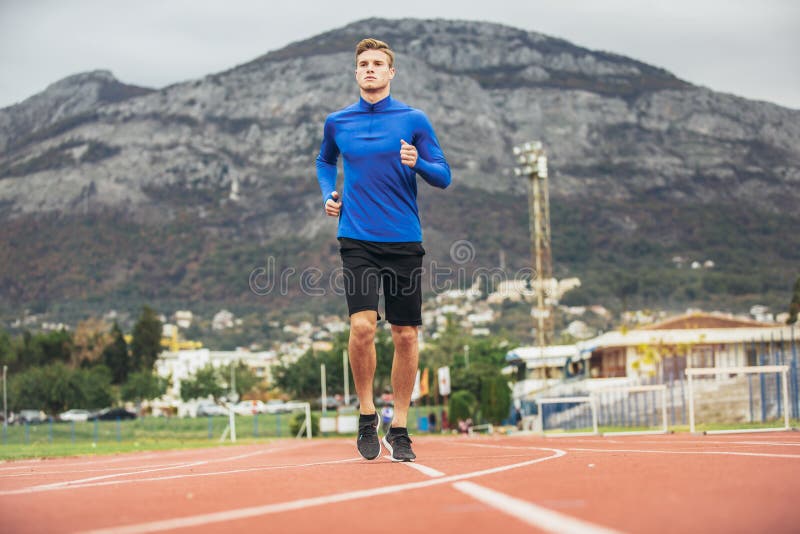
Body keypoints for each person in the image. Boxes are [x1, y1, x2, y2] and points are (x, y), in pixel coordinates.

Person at [316, 38, 451, 462]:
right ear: (355, 73)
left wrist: (418, 164)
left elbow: (444, 176)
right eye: (363, 64)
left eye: (378, 63)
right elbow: (324, 161)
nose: (370, 69)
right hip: (356, 237)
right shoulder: (337, 122)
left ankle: (401, 428)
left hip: (403, 239)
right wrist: (329, 193)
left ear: (391, 73)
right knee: (362, 327)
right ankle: (366, 414)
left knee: (406, 335)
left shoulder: (413, 120)